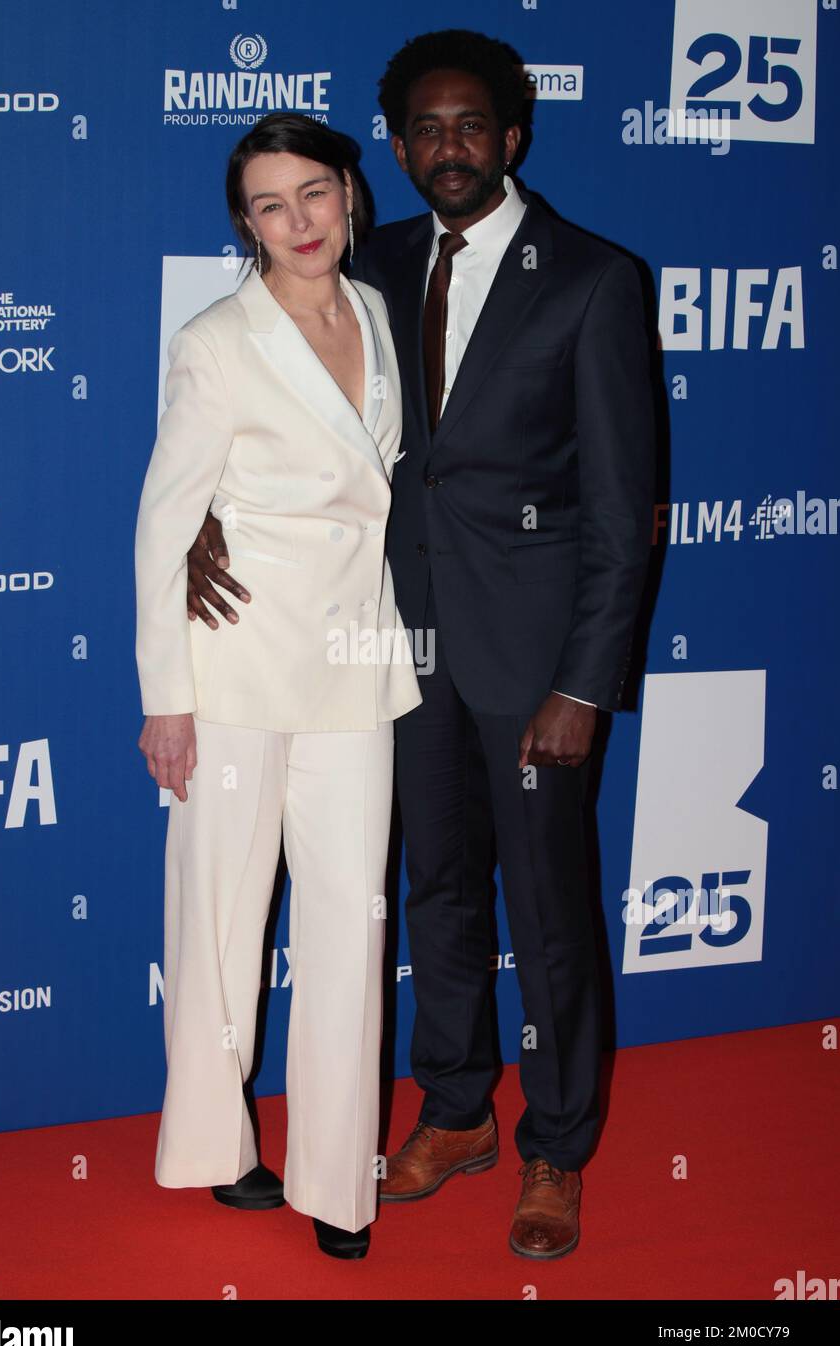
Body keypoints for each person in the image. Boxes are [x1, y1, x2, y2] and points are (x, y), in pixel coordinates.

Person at [183, 30, 656, 1260]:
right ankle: (456, 1111)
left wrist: (583, 681)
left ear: (514, 135)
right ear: (394, 147)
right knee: (431, 889)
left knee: (548, 909)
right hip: (394, 649)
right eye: (423, 131)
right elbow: (294, 422)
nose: (447, 148)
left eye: (470, 127)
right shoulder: (369, 262)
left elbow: (623, 510)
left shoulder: (597, 280)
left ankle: (555, 1145)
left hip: (535, 660)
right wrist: (203, 527)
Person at [134, 112, 421, 1260]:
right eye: (269, 205)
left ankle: (337, 1180)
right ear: (243, 225)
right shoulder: (216, 340)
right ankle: (216, 1145)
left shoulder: (380, 312)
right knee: (219, 918)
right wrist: (168, 695)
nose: (298, 222)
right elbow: (164, 523)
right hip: (237, 664)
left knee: (353, 928)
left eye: (314, 194)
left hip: (357, 664)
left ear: (349, 193)